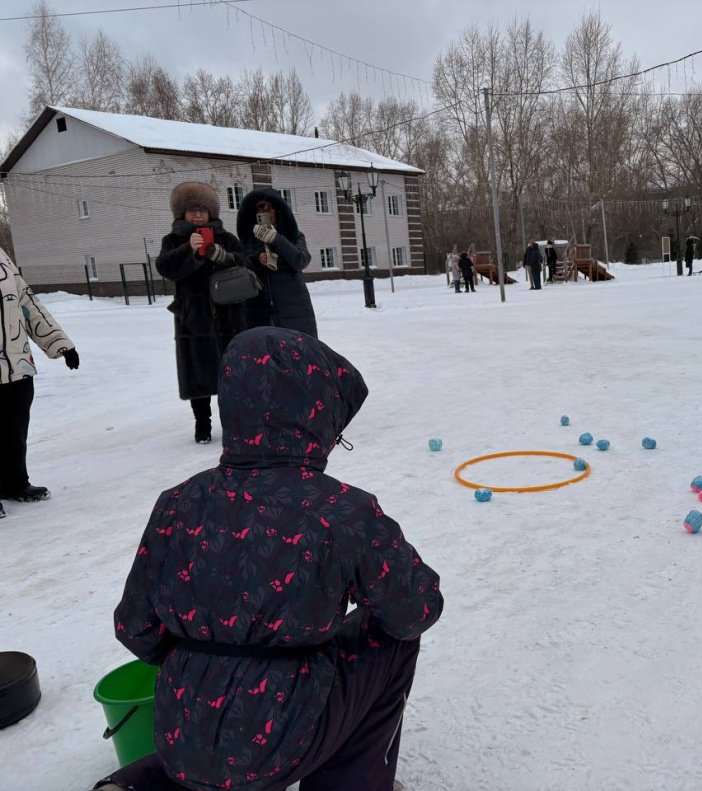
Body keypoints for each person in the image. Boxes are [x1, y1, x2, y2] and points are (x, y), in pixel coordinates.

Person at [94, 327, 444, 791]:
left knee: (219, 718)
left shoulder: (178, 502)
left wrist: (209, 662)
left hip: (184, 733)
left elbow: (135, 627)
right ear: (316, 419)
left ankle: (138, 784)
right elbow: (414, 609)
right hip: (282, 737)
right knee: (392, 639)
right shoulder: (341, 510)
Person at [156, 182, 248, 445]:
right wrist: (189, 250)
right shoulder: (172, 240)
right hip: (193, 318)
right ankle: (202, 424)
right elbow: (165, 267)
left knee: (231, 373)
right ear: (181, 213)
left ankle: (234, 422)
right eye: (191, 210)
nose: (197, 215)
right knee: (198, 374)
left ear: (211, 213)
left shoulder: (227, 238)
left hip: (229, 316)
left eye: (202, 210)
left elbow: (245, 263)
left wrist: (225, 256)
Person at [0, 259, 78, 516]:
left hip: (16, 362)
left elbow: (28, 304)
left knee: (15, 428)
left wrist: (60, 343)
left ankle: (14, 483)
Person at [237, 189, 318, 337]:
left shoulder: (294, 236)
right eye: (261, 208)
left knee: (295, 356)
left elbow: (300, 260)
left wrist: (275, 238)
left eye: (270, 207)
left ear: (278, 211)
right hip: (258, 313)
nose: (265, 212)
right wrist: (257, 259)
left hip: (293, 311)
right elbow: (241, 265)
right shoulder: (247, 241)